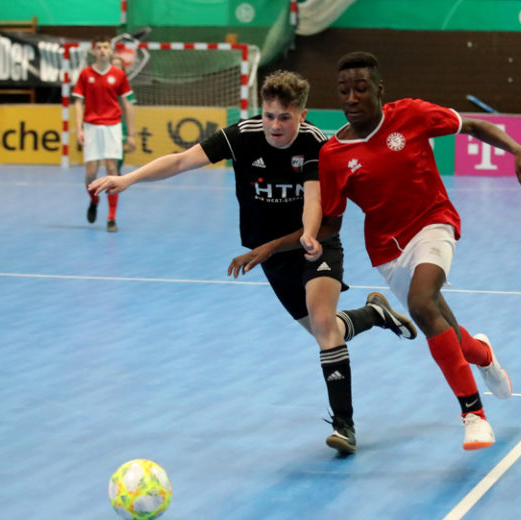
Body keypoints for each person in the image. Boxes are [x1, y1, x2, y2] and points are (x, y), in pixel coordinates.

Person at [89, 70, 417, 454]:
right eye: (269, 116)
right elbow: (180, 161)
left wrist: (309, 235)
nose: (275, 126)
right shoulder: (242, 136)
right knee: (325, 331)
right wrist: (128, 179)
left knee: (325, 325)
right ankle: (375, 314)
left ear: (302, 114)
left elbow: (314, 201)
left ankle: (344, 425)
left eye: (285, 117)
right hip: (270, 253)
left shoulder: (316, 145)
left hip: (313, 244)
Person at [306, 51, 521, 451]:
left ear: (380, 90)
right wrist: (305, 242)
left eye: (361, 88)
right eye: (344, 91)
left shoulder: (411, 115)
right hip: (386, 251)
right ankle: (482, 354)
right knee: (442, 325)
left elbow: (474, 125)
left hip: (433, 223)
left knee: (420, 303)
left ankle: (474, 416)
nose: (351, 97)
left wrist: (518, 149)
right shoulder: (333, 155)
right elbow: (331, 221)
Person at [73, 37, 136, 232]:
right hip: (91, 126)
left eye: (105, 47)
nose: (102, 50)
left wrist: (131, 133)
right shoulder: (85, 74)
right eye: (98, 47)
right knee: (91, 173)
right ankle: (93, 201)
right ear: (94, 51)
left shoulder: (118, 74)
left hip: (113, 126)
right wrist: (79, 128)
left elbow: (127, 103)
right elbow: (78, 102)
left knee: (112, 170)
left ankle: (111, 217)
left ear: (110, 51)